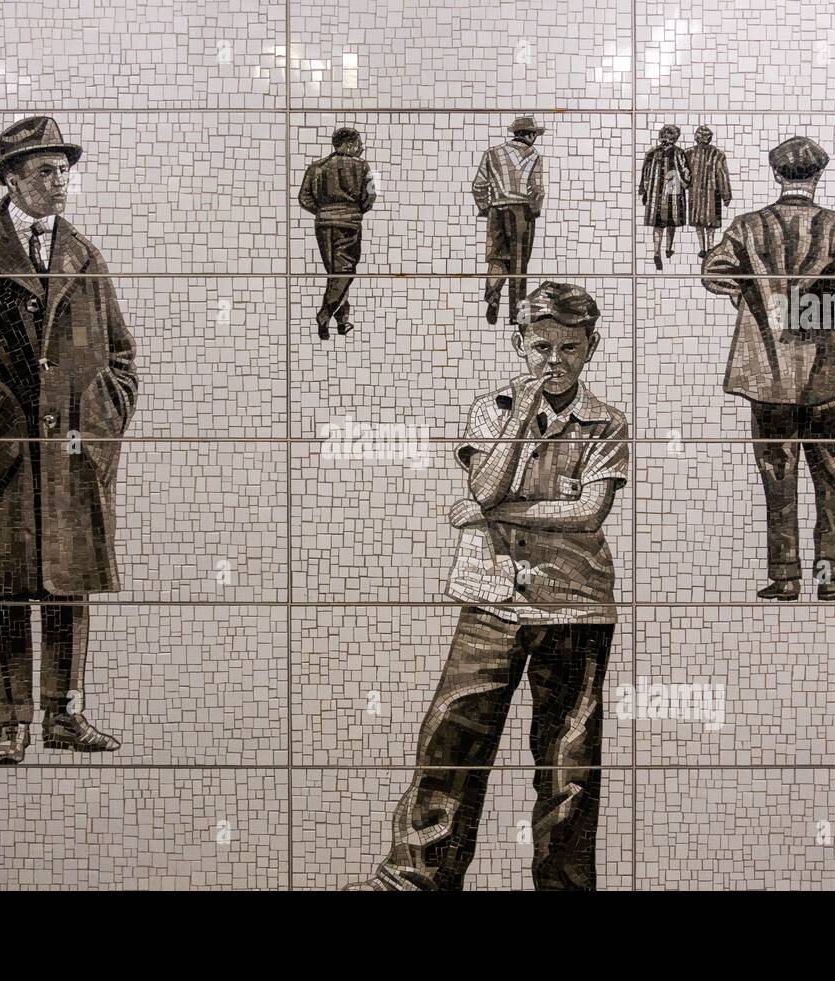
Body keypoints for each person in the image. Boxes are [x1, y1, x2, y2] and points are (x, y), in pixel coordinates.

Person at [347, 282, 627, 891]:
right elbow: (483, 488)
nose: (555, 360)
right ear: (519, 343)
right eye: (542, 346)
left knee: (568, 759)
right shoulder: (491, 411)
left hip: (575, 606)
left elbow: (587, 516)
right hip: (490, 598)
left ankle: (566, 885)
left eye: (570, 348)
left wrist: (499, 513)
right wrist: (522, 420)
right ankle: (416, 878)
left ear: (592, 348)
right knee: (451, 735)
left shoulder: (607, 422)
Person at [0, 116, 138, 764]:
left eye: (63, 169)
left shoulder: (83, 255)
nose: (59, 181)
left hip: (73, 457)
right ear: (13, 179)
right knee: (10, 593)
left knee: (68, 592)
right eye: (45, 171)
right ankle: (12, 722)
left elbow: (123, 356)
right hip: (7, 460)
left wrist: (101, 425)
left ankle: (65, 717)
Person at [702, 136, 835, 601]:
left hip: (768, 375)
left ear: (777, 175)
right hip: (833, 376)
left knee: (778, 478)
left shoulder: (748, 226)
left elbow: (713, 273)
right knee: (833, 477)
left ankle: (783, 577)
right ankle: (828, 577)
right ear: (818, 176)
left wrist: (748, 292)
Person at [298, 127, 375, 340]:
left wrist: (323, 212)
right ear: (349, 145)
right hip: (349, 224)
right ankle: (325, 315)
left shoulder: (316, 167)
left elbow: (304, 198)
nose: (362, 148)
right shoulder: (362, 166)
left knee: (336, 272)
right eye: (359, 144)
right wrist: (354, 211)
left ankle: (342, 321)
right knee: (345, 272)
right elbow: (370, 197)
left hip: (323, 226)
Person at [472, 116, 545, 325]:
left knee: (496, 259)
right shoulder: (534, 155)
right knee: (519, 265)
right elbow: (538, 190)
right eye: (534, 134)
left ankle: (493, 297)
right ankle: (517, 314)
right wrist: (534, 211)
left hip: (496, 210)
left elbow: (478, 186)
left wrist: (485, 207)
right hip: (522, 211)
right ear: (529, 134)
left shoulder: (492, 152)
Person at [640, 124, 689, 269]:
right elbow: (686, 173)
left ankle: (657, 252)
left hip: (655, 192)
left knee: (658, 223)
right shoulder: (679, 152)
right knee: (671, 221)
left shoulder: (652, 152)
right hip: (673, 189)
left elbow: (645, 174)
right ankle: (668, 249)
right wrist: (686, 184)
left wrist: (644, 190)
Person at [685, 125, 732, 259]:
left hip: (701, 192)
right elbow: (723, 176)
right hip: (708, 192)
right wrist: (726, 196)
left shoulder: (690, 153)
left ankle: (705, 248)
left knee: (700, 221)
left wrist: (726, 195)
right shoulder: (718, 154)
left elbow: (722, 176)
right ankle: (708, 247)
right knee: (707, 222)